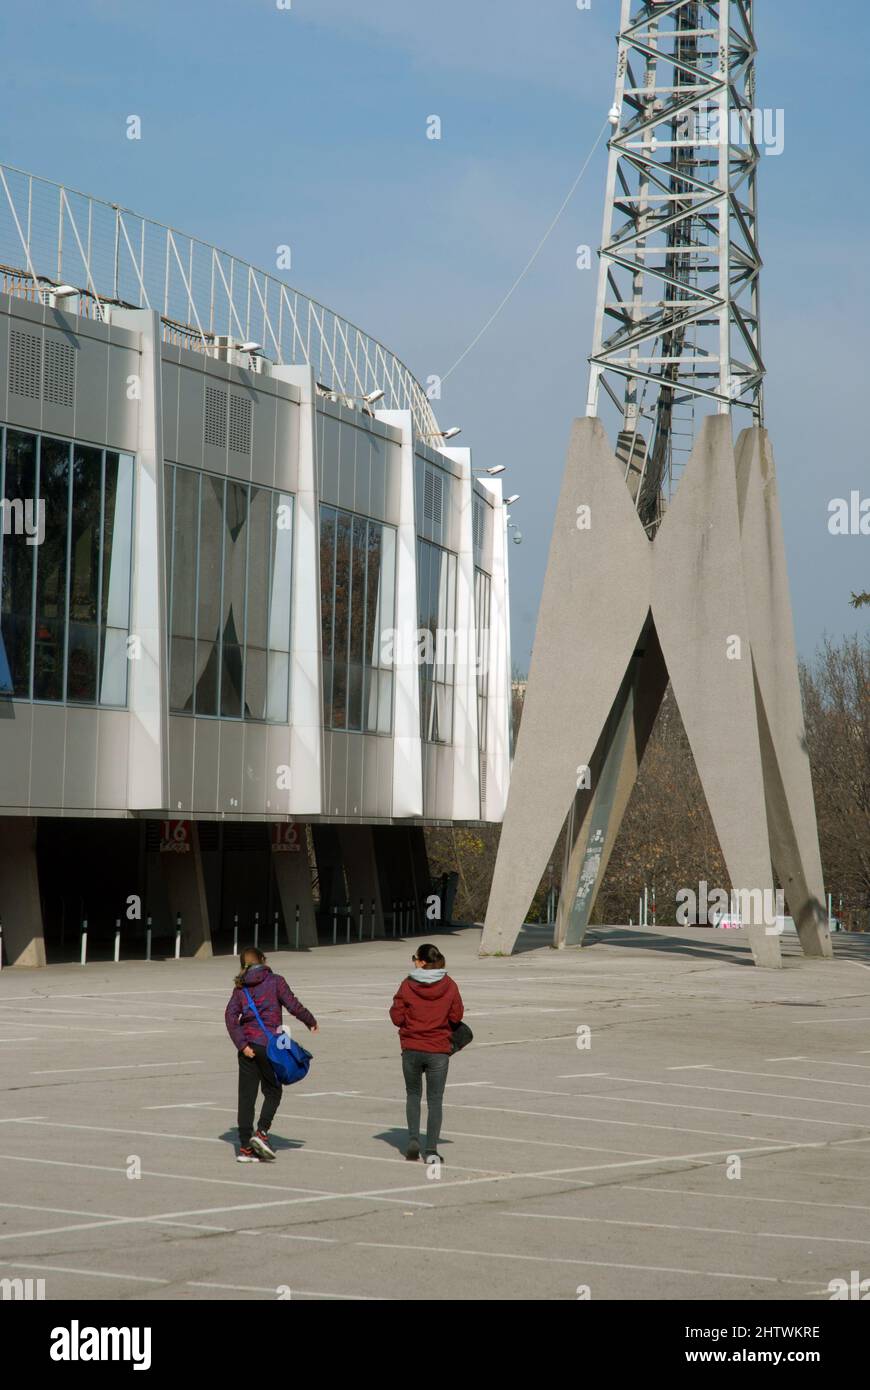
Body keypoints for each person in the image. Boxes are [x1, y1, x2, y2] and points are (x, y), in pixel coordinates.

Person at [224, 946, 318, 1163]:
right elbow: (293, 1005)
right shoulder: (275, 981)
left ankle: (245, 1148)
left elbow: (230, 1017)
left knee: (246, 1097)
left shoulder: (240, 987)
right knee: (273, 1091)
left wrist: (242, 1044)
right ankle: (261, 1132)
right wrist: (310, 1020)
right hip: (270, 1047)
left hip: (248, 1046)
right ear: (264, 960)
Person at [389, 943, 464, 1164]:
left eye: (414, 958)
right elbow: (456, 1016)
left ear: (422, 962)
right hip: (438, 1050)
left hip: (412, 1047)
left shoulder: (407, 984)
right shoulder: (449, 985)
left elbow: (396, 1017)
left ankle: (413, 1139)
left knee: (413, 1095)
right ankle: (430, 1149)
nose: (413, 961)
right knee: (435, 1101)